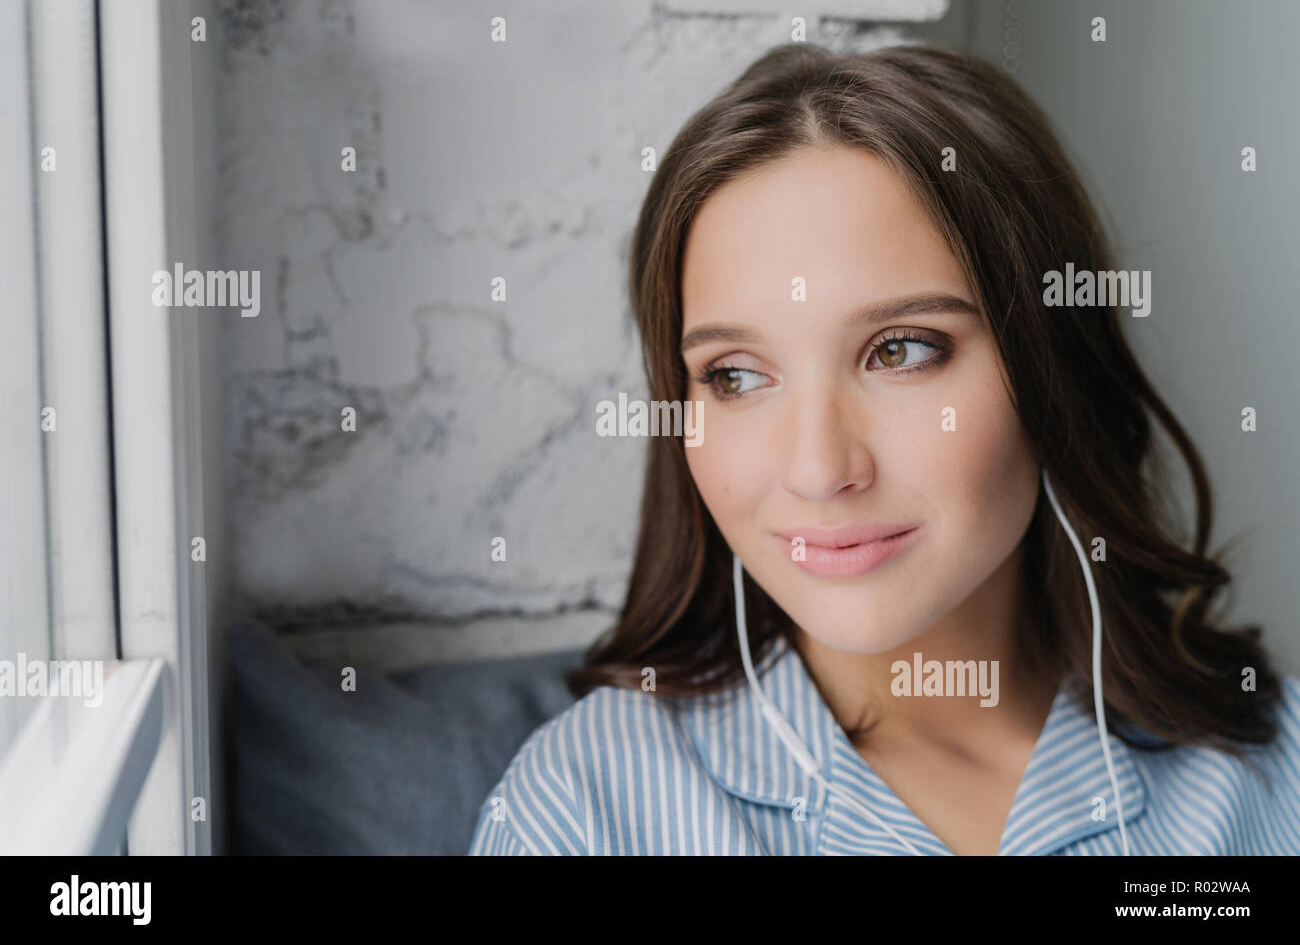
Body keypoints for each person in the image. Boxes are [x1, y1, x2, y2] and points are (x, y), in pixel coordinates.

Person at [468, 42, 1300, 855]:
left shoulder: (1274, 771)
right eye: (735, 376)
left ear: (1053, 372)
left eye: (900, 350)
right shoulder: (583, 813)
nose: (819, 470)